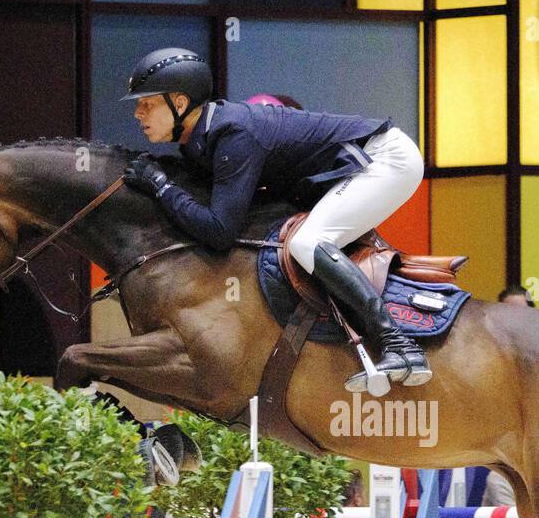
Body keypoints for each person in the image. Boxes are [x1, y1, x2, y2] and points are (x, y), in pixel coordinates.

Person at [120, 48, 428, 391]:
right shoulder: (200, 141)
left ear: (179, 103)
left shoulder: (233, 134)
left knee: (307, 242)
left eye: (146, 103)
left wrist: (160, 185)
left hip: (385, 160)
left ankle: (399, 344)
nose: (137, 113)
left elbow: (220, 231)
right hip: (359, 166)